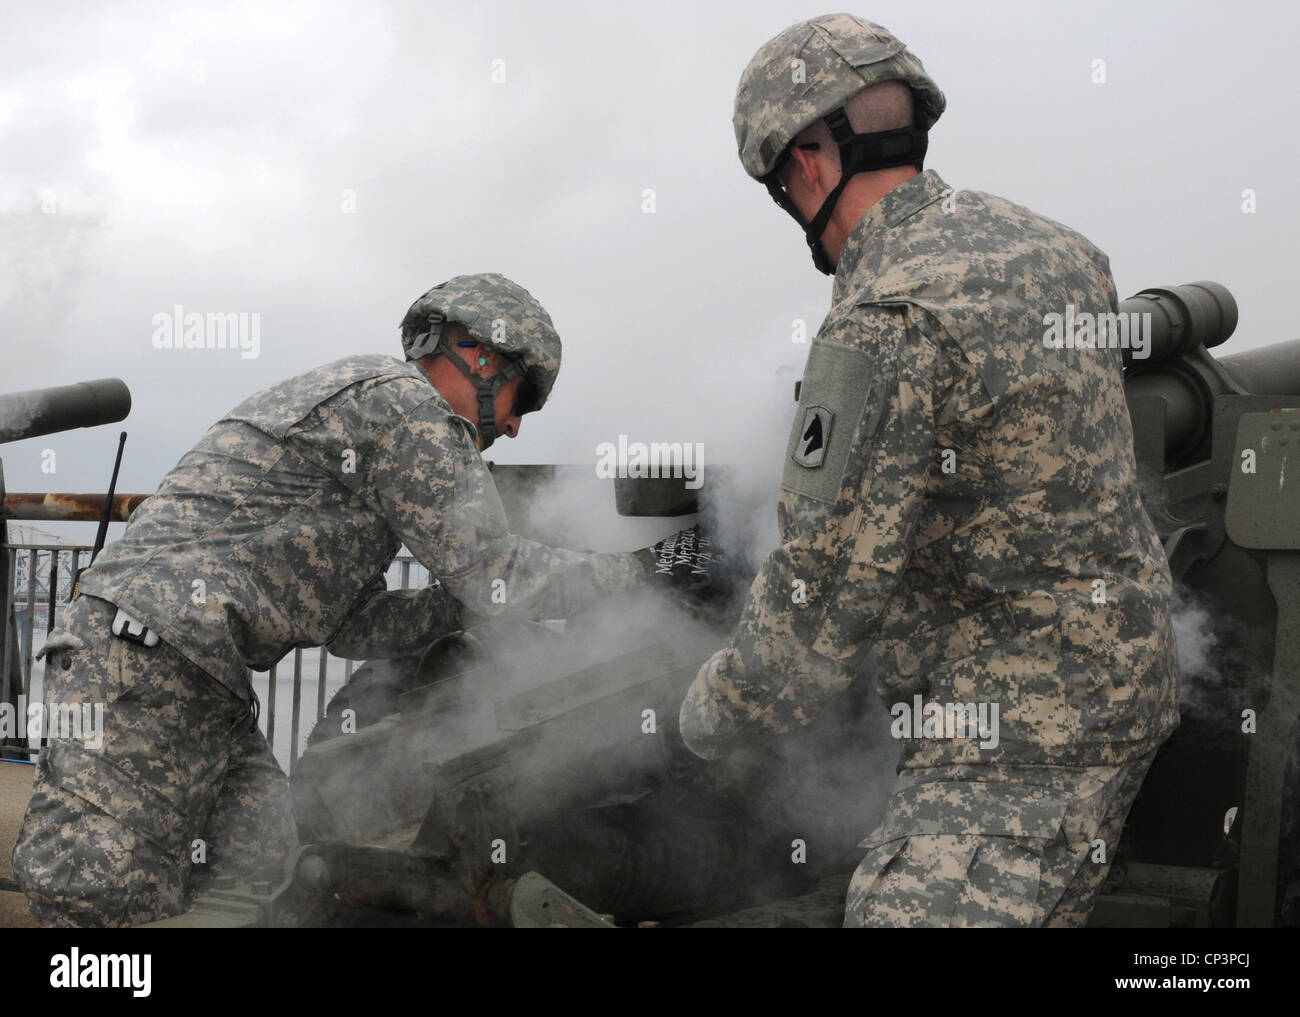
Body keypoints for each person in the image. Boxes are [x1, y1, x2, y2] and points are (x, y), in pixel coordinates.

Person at [678, 14, 1180, 927]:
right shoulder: (1066, 255)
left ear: (808, 168)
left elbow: (820, 607)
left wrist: (709, 712)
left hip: (1015, 739)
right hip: (1122, 686)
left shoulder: (881, 318)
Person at [13, 272, 648, 927]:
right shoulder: (406, 406)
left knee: (273, 885)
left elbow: (352, 626)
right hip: (134, 658)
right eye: (524, 397)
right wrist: (638, 578)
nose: (515, 424)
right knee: (99, 901)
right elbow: (494, 566)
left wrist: (467, 602)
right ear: (480, 355)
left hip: (205, 678)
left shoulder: (375, 420)